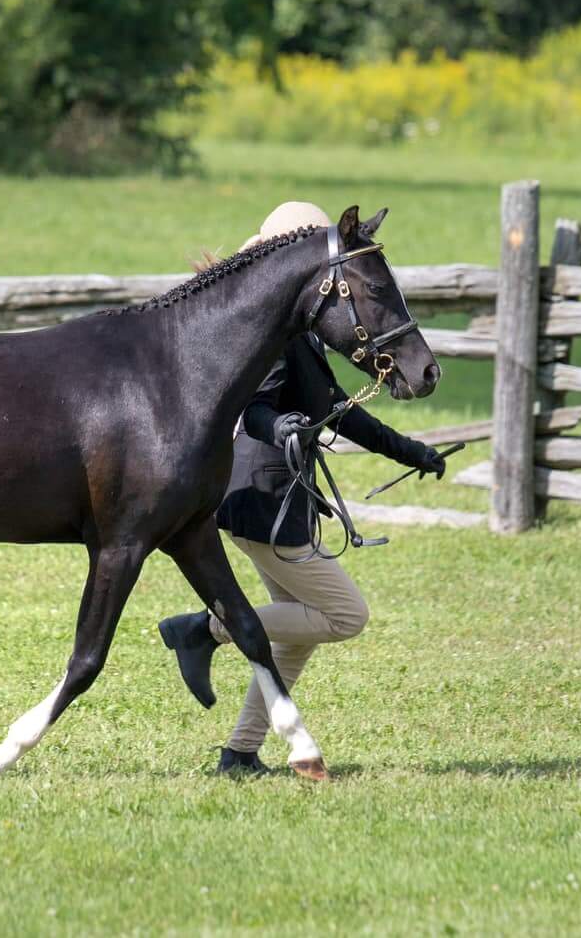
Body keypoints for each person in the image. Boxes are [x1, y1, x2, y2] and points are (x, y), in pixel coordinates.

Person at [157, 201, 447, 775]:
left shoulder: (302, 328)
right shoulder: (266, 332)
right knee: (344, 616)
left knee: (298, 630)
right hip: (261, 496)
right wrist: (278, 426)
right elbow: (255, 406)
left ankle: (241, 751)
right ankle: (204, 629)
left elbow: (336, 409)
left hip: (282, 495)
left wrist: (409, 451)